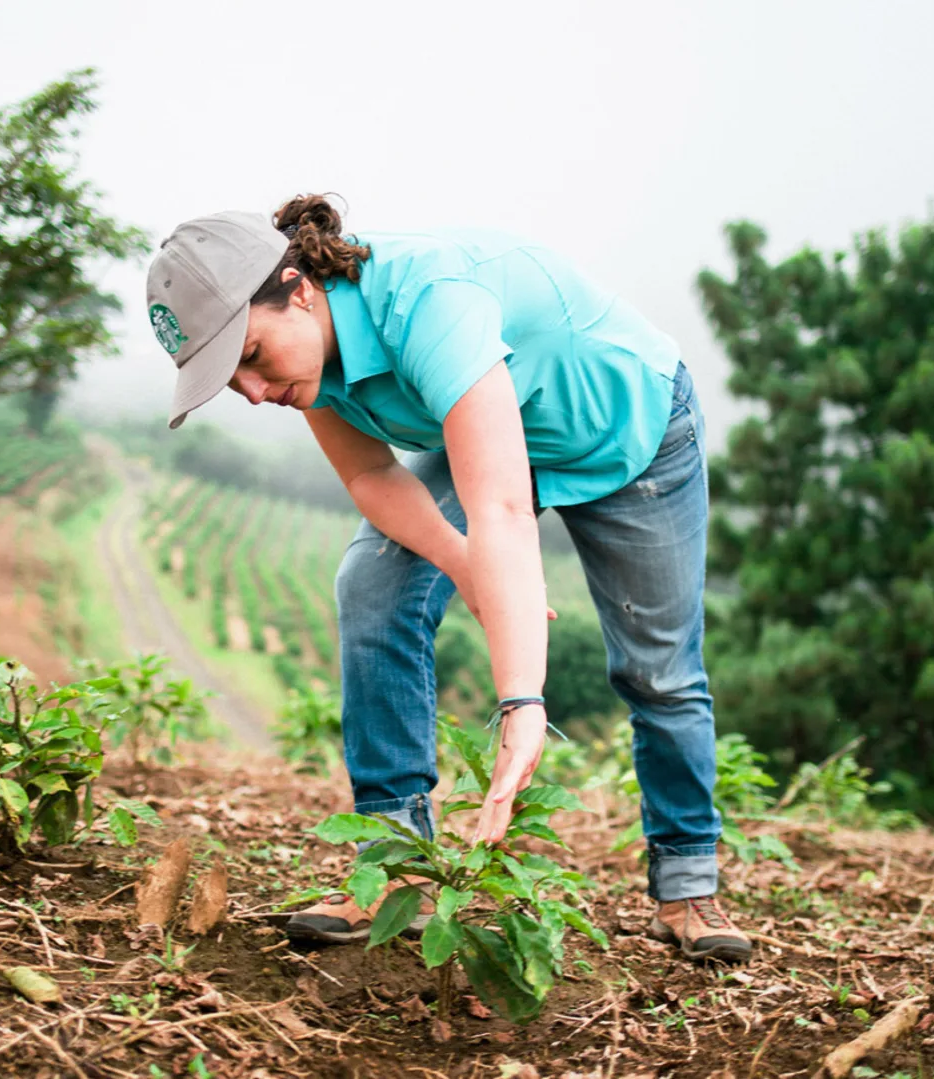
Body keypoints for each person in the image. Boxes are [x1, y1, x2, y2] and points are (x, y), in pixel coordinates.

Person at [143, 195, 750, 963]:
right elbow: (370, 476)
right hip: (497, 437)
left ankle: (687, 881)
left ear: (298, 288)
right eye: (232, 380)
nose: (256, 393)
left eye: (253, 357)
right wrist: (462, 564)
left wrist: (521, 701)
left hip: (625, 433)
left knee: (657, 667)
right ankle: (395, 863)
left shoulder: (427, 301)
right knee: (372, 580)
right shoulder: (311, 360)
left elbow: (499, 509)